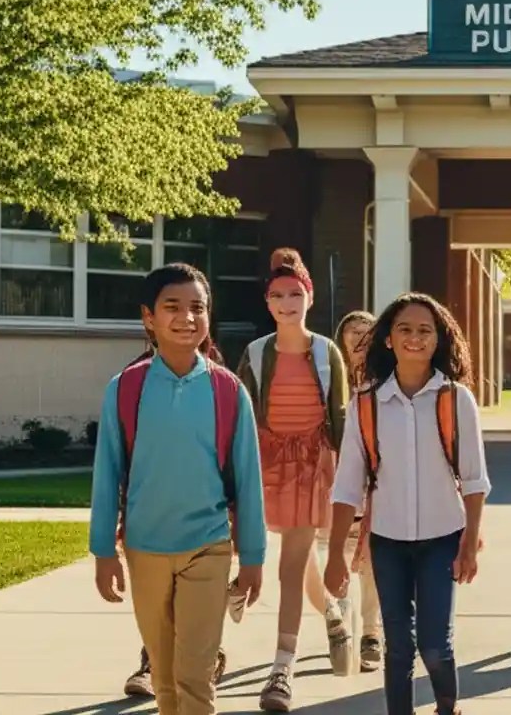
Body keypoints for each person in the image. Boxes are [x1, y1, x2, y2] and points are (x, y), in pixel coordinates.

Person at [91, 263, 265, 715]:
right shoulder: (126, 389)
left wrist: (253, 558)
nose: (187, 317)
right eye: (173, 307)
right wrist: (103, 552)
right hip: (145, 548)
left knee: (195, 676)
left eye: (198, 307)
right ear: (149, 317)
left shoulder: (228, 391)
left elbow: (248, 480)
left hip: (208, 546)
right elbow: (107, 474)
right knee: (165, 680)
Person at [325, 292, 490, 715]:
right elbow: (347, 484)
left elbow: (474, 479)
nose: (414, 338)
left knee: (435, 645)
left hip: (442, 538)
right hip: (387, 541)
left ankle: (447, 707)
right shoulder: (365, 403)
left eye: (424, 330)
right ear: (387, 339)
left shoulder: (457, 400)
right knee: (398, 648)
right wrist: (336, 557)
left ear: (439, 340)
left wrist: (470, 540)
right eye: (404, 329)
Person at [236, 249, 351, 712]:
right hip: (264, 461)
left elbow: (340, 418)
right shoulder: (256, 352)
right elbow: (239, 414)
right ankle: (332, 613)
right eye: (278, 295)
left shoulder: (327, 352)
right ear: (268, 302)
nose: (287, 303)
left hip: (309, 464)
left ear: (310, 297)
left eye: (295, 294)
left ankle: (282, 669)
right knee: (266, 552)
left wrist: (352, 482)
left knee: (291, 562)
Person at [329, 309, 385, 672]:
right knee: (331, 558)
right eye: (352, 331)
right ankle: (338, 624)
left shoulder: (384, 380)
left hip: (373, 484)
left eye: (366, 330)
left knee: (369, 562)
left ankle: (370, 633)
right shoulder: (330, 377)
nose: (359, 336)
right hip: (331, 483)